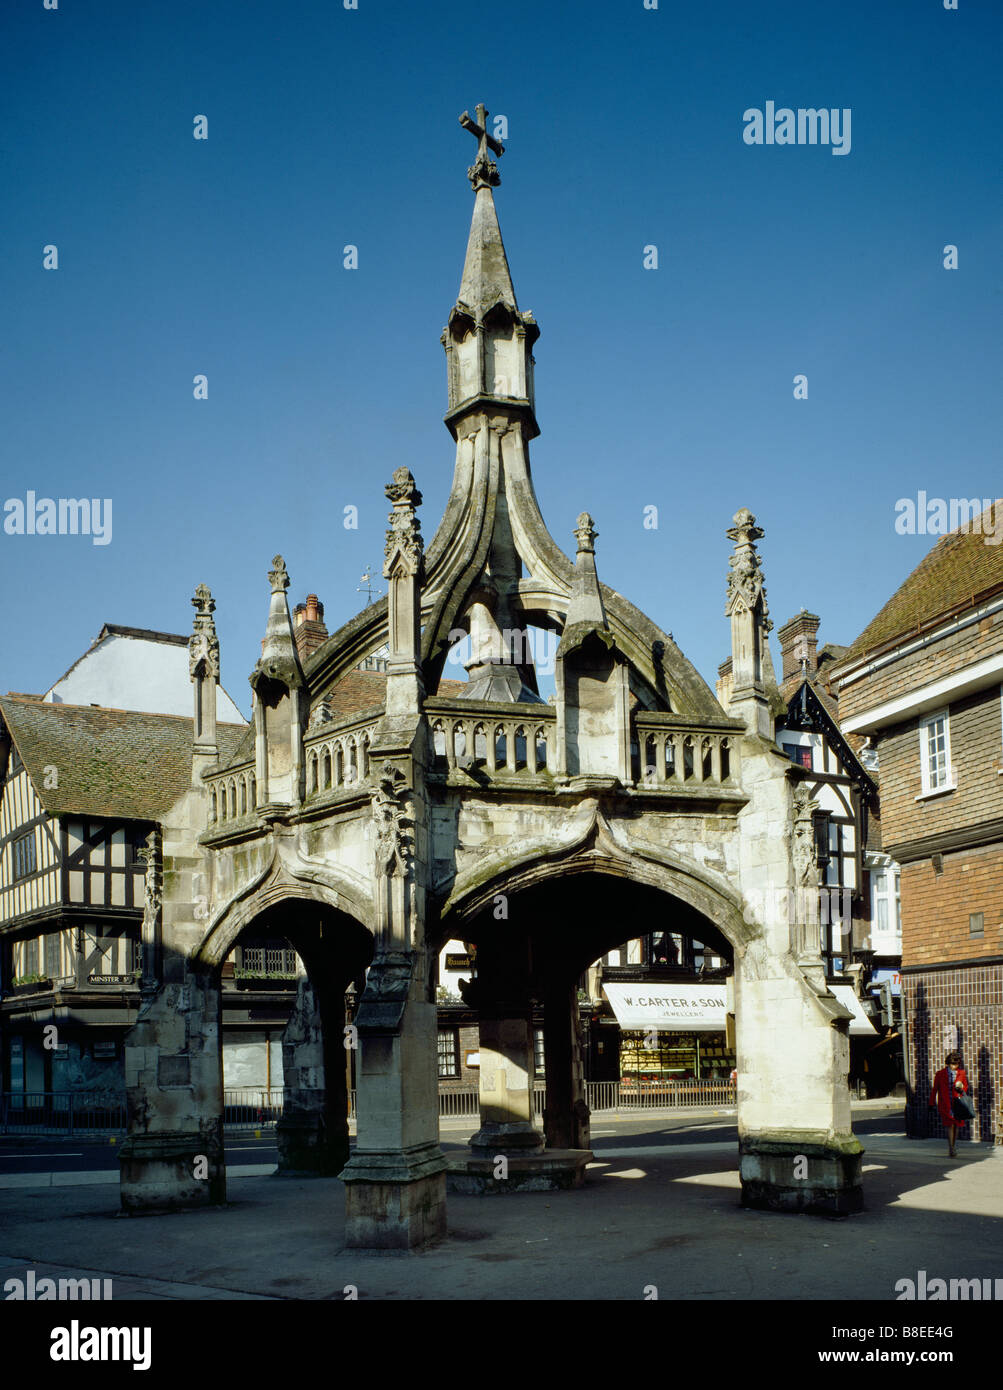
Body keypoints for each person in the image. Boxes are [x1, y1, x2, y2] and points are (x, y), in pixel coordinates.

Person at [929, 1051, 970, 1157]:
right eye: (952, 1064)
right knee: (950, 1125)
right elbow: (935, 1089)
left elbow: (966, 1086)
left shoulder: (961, 1073)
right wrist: (931, 1103)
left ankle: (953, 1145)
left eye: (956, 1064)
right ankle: (951, 1148)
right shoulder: (940, 1074)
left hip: (958, 1103)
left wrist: (961, 1088)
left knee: (957, 1125)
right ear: (948, 1063)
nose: (954, 1066)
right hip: (946, 1104)